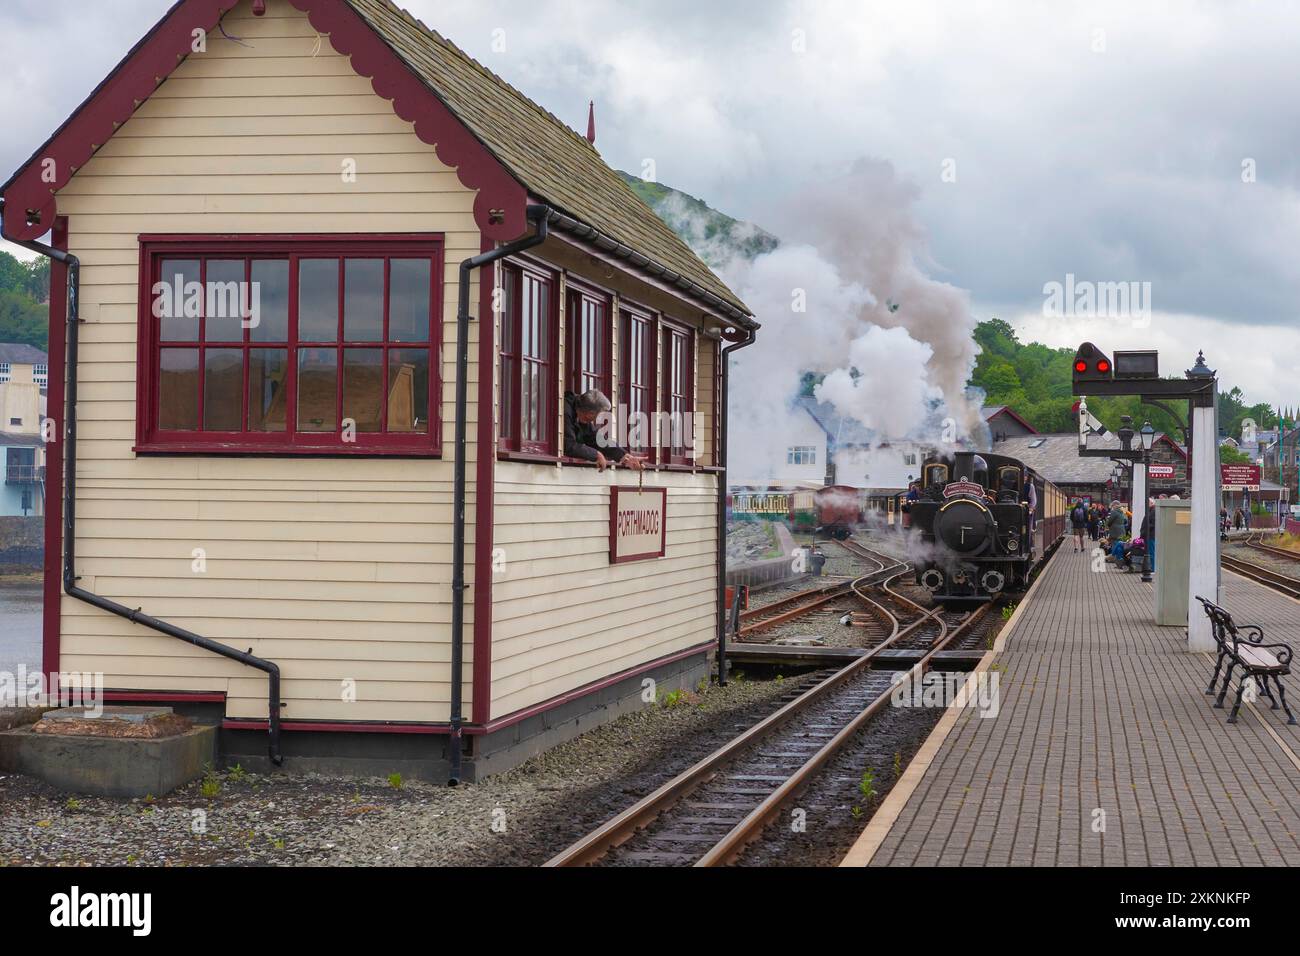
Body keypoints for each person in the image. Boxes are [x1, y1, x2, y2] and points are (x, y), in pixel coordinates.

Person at [564, 389, 645, 472]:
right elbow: (569, 445)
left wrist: (625, 456)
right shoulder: (566, 412)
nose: (596, 419)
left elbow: (596, 439)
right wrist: (596, 455)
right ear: (590, 414)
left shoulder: (581, 412)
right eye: (598, 415)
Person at [1139, 497, 1156, 572]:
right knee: (1149, 552)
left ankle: (1152, 568)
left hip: (1151, 535)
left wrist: (1146, 529)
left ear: (1151, 503)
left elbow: (1153, 524)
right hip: (1148, 535)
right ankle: (1150, 567)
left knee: (1151, 552)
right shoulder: (1150, 511)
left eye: (1147, 503)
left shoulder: (1153, 511)